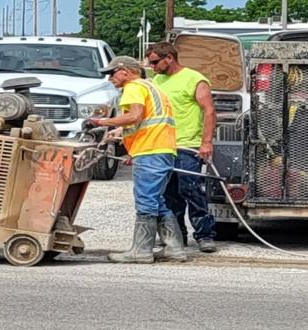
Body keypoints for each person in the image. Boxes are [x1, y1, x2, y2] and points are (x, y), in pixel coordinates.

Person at [86, 56, 187, 264]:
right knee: (157, 200)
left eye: (112, 73)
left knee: (146, 201)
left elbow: (134, 116)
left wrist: (100, 122)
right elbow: (146, 121)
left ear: (124, 70)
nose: (109, 79)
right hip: (162, 149)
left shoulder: (133, 87)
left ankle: (141, 251)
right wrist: (120, 132)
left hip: (150, 151)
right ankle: (174, 248)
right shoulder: (151, 87)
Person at [148, 43, 218, 253]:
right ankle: (177, 235)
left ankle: (205, 234)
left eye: (155, 62)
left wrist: (206, 142)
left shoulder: (194, 79)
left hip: (188, 145)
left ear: (169, 58)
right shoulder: (157, 80)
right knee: (169, 194)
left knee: (191, 189)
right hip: (164, 145)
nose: (152, 67)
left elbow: (209, 111)